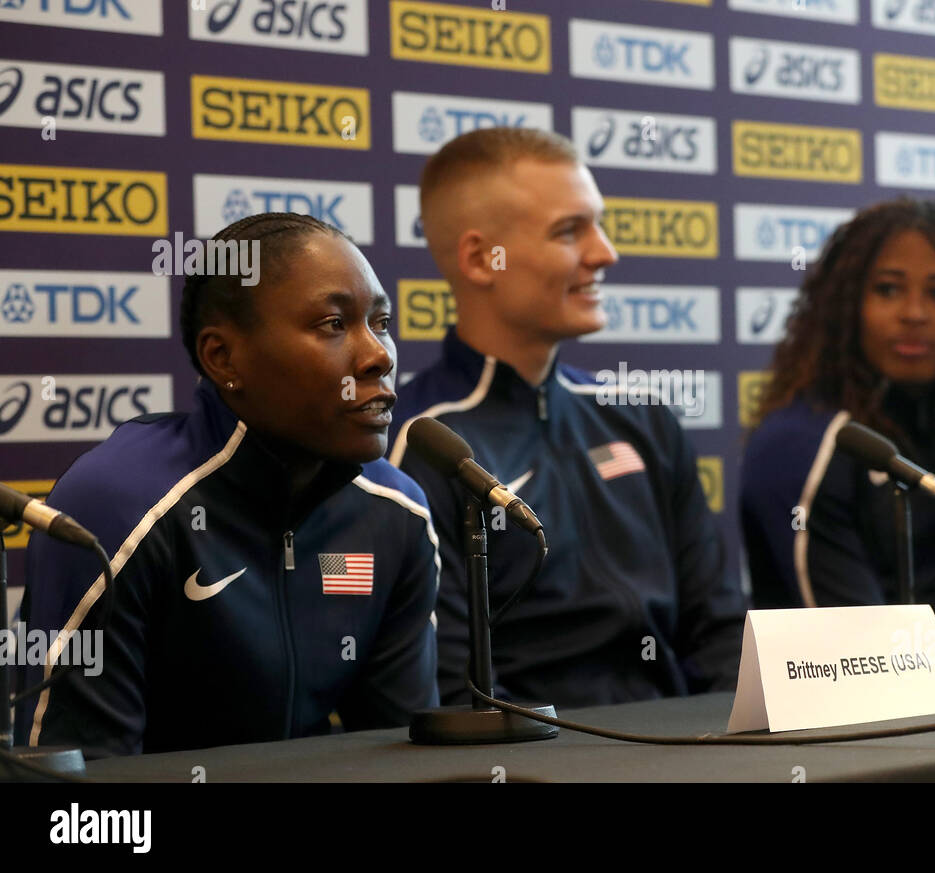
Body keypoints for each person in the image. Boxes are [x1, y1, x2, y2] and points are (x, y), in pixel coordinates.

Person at [15, 213, 440, 757]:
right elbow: (80, 790)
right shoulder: (116, 507)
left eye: (380, 322)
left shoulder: (397, 512)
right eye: (334, 324)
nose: (378, 355)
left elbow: (397, 758)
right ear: (223, 357)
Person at [388, 128, 747, 707]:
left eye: (599, 225)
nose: (605, 253)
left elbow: (721, 633)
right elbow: (453, 692)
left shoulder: (643, 419)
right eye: (568, 230)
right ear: (483, 259)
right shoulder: (420, 447)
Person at [740, 198, 935, 655]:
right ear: (844, 308)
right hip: (853, 714)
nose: (914, 313)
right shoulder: (800, 445)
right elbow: (861, 660)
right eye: (887, 290)